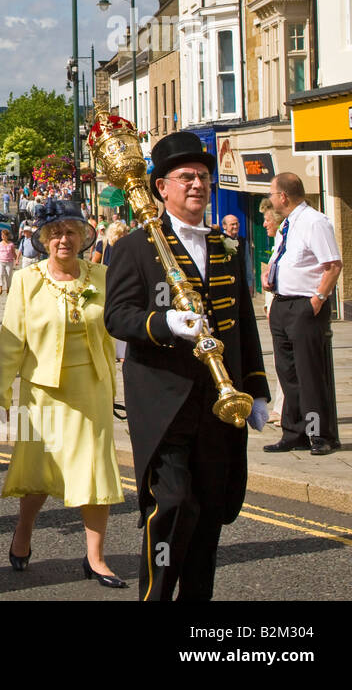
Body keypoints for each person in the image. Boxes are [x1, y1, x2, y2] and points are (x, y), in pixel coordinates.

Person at [104, 131, 271, 601]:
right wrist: (165, 322)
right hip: (164, 398)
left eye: (203, 177)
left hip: (219, 402)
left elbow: (243, 323)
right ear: (162, 188)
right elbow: (116, 316)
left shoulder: (224, 246)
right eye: (186, 177)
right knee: (174, 504)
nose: (197, 184)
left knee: (210, 509)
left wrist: (256, 388)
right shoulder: (137, 246)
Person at [0, 200, 126, 587]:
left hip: (92, 387)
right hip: (42, 393)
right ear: (45, 240)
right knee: (39, 472)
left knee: (95, 468)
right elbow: (10, 343)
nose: (63, 239)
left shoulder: (102, 276)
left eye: (71, 232)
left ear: (83, 237)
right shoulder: (26, 280)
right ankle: (24, 531)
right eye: (56, 234)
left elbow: (119, 330)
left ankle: (96, 558)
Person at [263, 172, 342, 455]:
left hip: (304, 306)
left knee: (309, 374)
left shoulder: (314, 222)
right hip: (283, 304)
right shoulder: (288, 225)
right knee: (287, 373)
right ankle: (293, 432)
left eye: (272, 193)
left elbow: (332, 265)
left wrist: (317, 300)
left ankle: (320, 435)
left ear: (283, 196)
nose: (270, 199)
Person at [0, 229, 17, 295]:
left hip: (9, 261)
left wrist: (17, 259)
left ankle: (8, 288)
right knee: (0, 274)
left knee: (8, 275)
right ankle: (0, 288)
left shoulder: (11, 244)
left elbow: (13, 253)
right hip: (0, 261)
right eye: (2, 235)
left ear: (7, 236)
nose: (3, 236)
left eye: (4, 235)